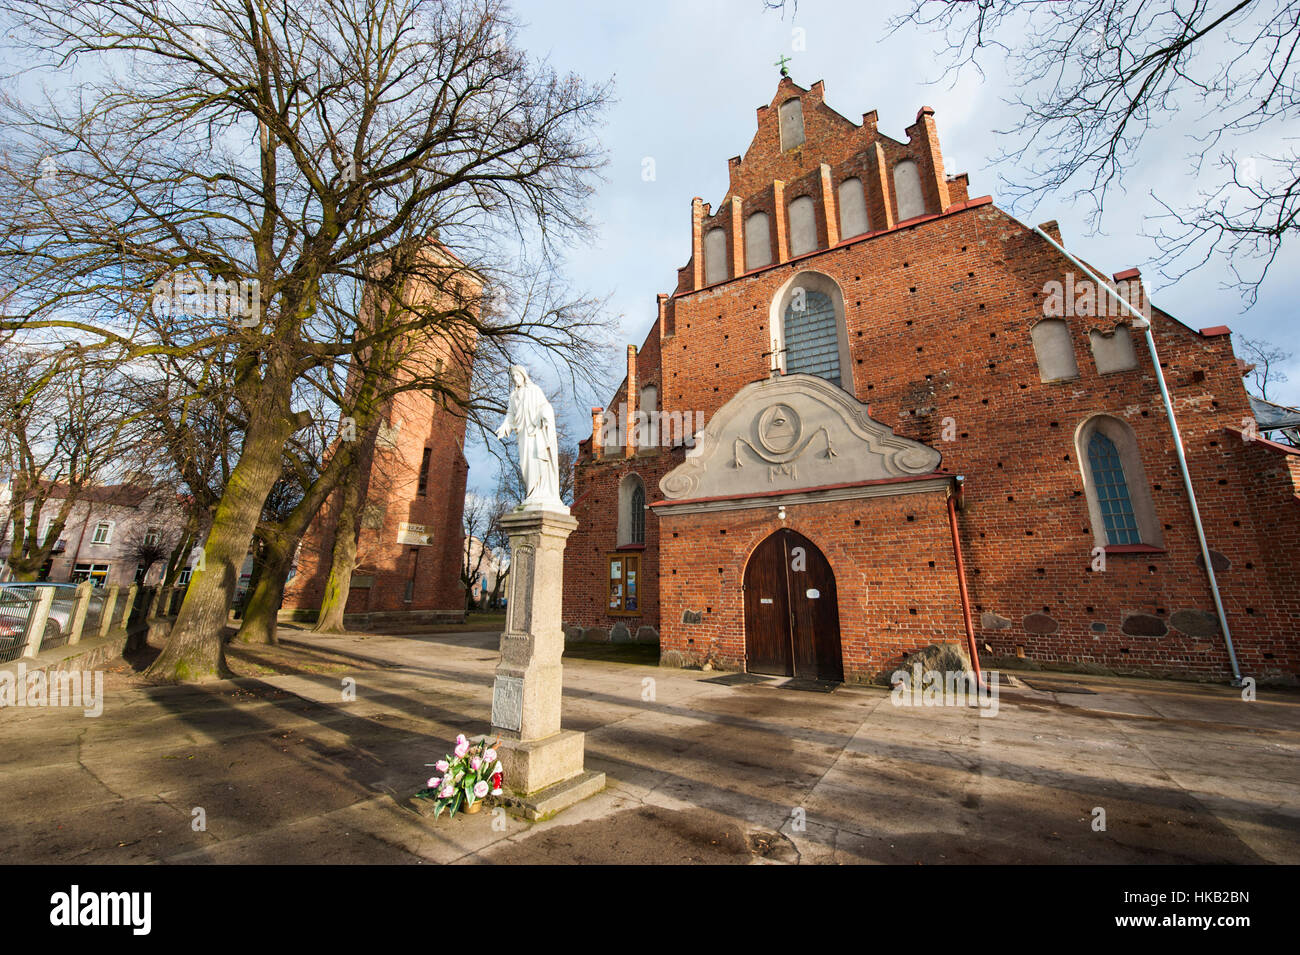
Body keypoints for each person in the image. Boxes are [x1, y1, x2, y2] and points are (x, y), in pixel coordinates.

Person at [495, 365, 566, 511]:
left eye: (516, 375)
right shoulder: (513, 396)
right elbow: (510, 415)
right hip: (523, 435)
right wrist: (504, 427)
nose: (514, 379)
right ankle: (532, 492)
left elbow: (544, 406)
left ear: (523, 375)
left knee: (539, 460)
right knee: (525, 464)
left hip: (536, 433)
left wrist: (545, 415)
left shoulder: (534, 390)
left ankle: (542, 492)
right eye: (512, 376)